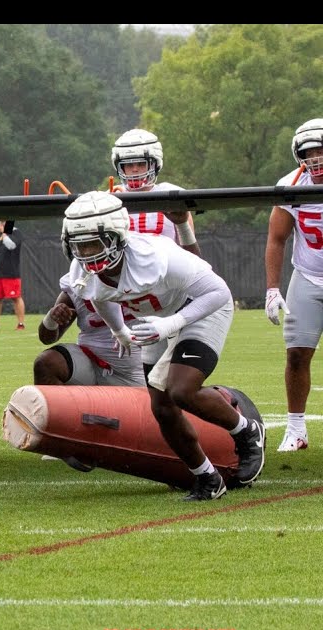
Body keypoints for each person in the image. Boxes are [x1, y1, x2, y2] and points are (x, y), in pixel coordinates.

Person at [64, 190, 263, 501]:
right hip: (156, 321)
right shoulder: (82, 272)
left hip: (200, 308)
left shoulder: (158, 256)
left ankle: (246, 431)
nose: (87, 253)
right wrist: (120, 332)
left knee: (181, 390)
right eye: (79, 245)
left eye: (93, 243)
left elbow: (219, 292)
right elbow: (102, 298)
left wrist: (172, 323)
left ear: (116, 236)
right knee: (162, 408)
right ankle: (208, 478)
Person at [264, 117, 323, 452]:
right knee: (297, 355)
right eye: (309, 153)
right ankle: (296, 430)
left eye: (321, 151)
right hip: (309, 276)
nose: (316, 159)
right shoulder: (291, 184)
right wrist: (273, 288)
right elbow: (276, 239)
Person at [32, 255, 146, 388]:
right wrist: (52, 318)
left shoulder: (145, 274)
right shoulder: (78, 281)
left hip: (139, 369)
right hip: (92, 362)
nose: (89, 252)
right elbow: (46, 338)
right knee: (47, 363)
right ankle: (60, 409)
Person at [110, 128, 201, 256]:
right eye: (129, 165)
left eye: (141, 164)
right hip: (127, 274)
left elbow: (194, 259)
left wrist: (182, 224)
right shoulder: (108, 198)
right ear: (120, 167)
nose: (135, 170)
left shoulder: (172, 194)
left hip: (167, 272)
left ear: (154, 164)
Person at [0, 219, 26, 330]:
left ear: (7, 224)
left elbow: (11, 246)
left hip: (11, 273)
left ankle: (21, 324)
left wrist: (4, 233)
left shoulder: (16, 233)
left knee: (16, 297)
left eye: (1, 223)